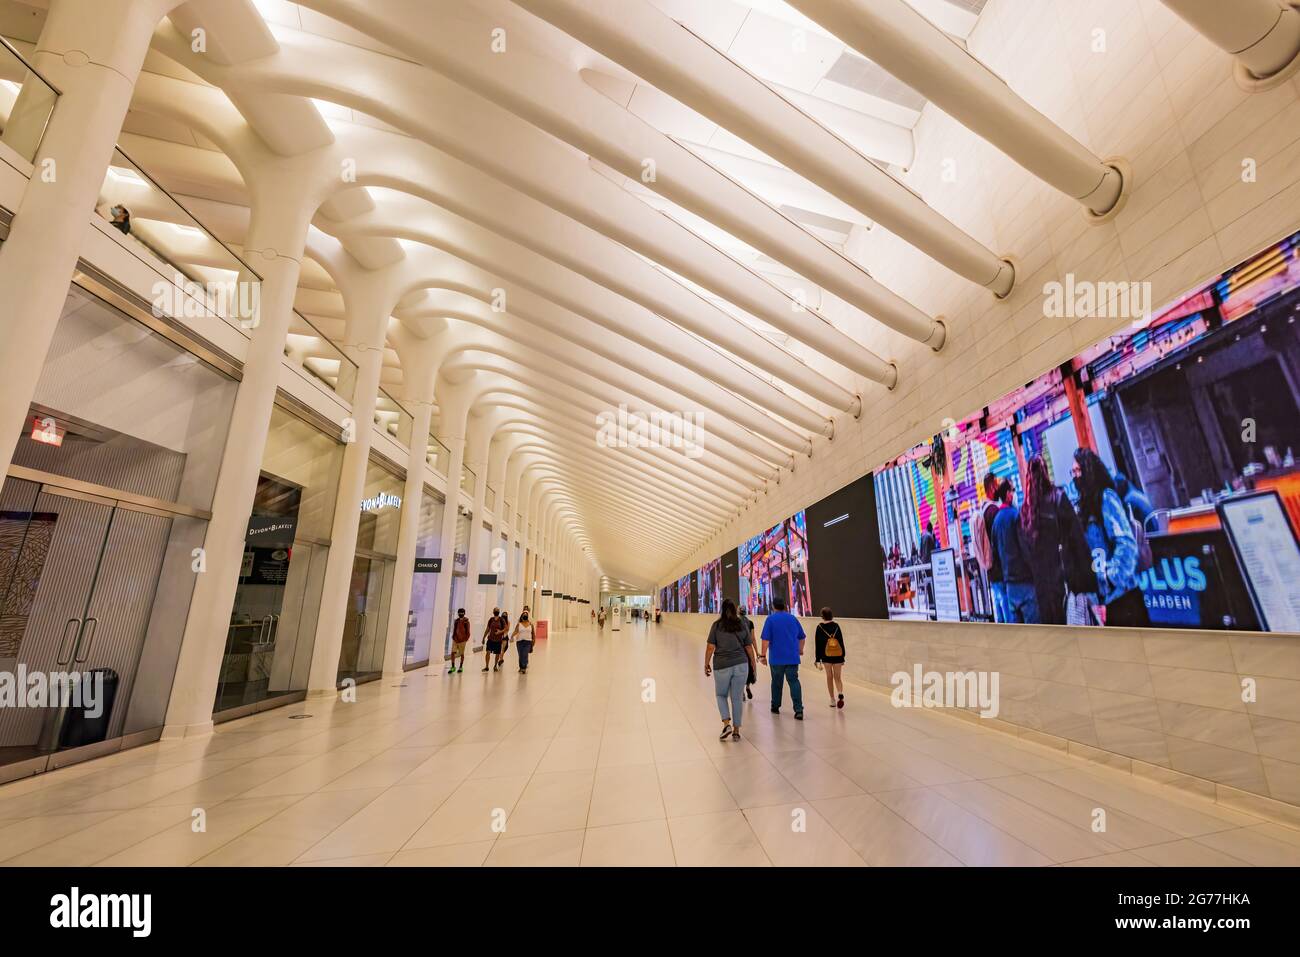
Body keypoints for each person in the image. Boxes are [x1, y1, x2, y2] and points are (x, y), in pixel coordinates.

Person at [1073, 448, 1150, 627]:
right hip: (1108, 600)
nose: (1075, 476)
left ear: (1088, 470)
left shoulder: (1106, 498)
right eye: (1073, 471)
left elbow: (1126, 543)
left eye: (1078, 470)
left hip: (1124, 595)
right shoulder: (1086, 505)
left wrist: (1110, 577)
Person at [1020, 455, 1094, 625]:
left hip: (1042, 590)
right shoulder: (1058, 497)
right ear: (1046, 472)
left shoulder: (1025, 510)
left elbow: (1027, 553)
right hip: (1065, 581)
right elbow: (1078, 541)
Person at [704, 599, 758, 740]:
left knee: (721, 695)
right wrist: (753, 663)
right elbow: (748, 646)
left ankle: (726, 723)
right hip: (741, 664)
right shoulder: (741, 624)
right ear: (735, 610)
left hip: (722, 665)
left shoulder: (716, 625)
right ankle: (736, 731)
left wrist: (706, 663)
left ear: (722, 609)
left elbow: (710, 647)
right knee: (736, 698)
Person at [991, 479, 1039, 623]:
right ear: (1008, 494)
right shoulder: (1016, 516)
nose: (1014, 493)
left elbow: (996, 555)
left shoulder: (996, 522)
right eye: (1012, 490)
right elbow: (1025, 547)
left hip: (1009, 586)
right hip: (1024, 583)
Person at [759, 596, 805, 719]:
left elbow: (765, 639)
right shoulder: (792, 618)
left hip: (776, 658)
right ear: (784, 605)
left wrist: (762, 655)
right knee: (794, 682)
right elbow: (802, 637)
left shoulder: (770, 619)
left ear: (773, 606)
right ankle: (799, 709)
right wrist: (800, 650)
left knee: (776, 683)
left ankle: (775, 706)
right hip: (792, 657)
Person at [971, 472, 1005, 622]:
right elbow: (1000, 541)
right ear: (992, 486)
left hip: (991, 569)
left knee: (998, 603)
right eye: (997, 484)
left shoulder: (983, 509)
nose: (999, 487)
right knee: (1006, 606)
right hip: (1000, 567)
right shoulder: (994, 511)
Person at [813, 607, 846, 708]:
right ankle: (840, 693)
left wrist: (817, 659)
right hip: (838, 656)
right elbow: (841, 641)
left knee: (829, 677)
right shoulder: (836, 626)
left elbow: (817, 645)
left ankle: (832, 699)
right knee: (838, 677)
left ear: (822, 616)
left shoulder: (819, 627)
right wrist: (843, 656)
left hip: (826, 655)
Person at [482, 607, 506, 672]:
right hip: (490, 639)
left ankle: (495, 666)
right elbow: (488, 629)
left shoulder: (501, 620)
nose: (496, 611)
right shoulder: (491, 619)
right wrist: (483, 637)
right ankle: (487, 666)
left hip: (498, 640)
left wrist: (500, 632)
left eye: (497, 610)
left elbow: (505, 629)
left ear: (499, 612)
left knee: (497, 654)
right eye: (495, 610)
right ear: (493, 612)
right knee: (488, 652)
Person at [739, 609, 756, 699]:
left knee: (740, 671)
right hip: (748, 649)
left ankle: (741, 692)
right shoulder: (750, 623)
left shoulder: (736, 623)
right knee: (749, 669)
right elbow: (753, 638)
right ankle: (748, 687)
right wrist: (756, 652)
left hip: (739, 650)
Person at [448, 608, 470, 673]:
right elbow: (455, 629)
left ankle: (460, 667)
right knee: (452, 653)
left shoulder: (466, 622)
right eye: (459, 612)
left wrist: (465, 639)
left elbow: (468, 632)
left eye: (462, 612)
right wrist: (453, 636)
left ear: (464, 613)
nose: (461, 614)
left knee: (462, 654)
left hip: (462, 640)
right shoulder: (456, 621)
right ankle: (453, 667)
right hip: (455, 639)